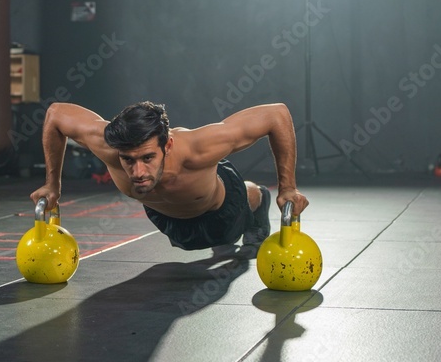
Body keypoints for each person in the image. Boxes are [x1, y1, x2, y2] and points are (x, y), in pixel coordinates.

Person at [30, 100, 309, 255]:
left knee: (225, 239)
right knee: (187, 244)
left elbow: (277, 115)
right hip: (168, 216)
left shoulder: (199, 147)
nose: (137, 173)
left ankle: (257, 196)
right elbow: (56, 114)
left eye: (148, 158)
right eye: (128, 160)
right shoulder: (106, 145)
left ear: (168, 145)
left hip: (220, 207)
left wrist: (288, 187)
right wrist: (52, 185)